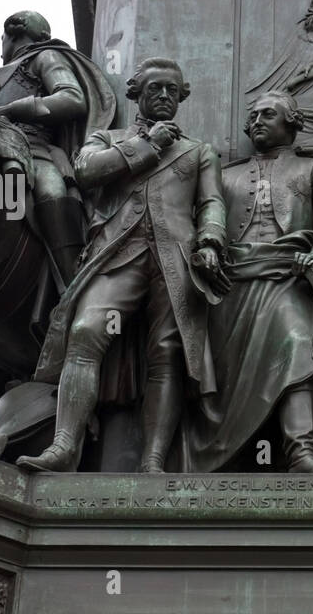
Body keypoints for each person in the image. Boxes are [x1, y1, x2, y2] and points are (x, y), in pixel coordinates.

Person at [18, 58, 228, 473]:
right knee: (85, 331)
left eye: (172, 90)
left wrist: (211, 241)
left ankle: (153, 461)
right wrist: (149, 145)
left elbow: (212, 203)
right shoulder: (107, 138)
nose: (165, 96)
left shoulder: (200, 152)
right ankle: (64, 447)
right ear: (137, 94)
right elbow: (86, 171)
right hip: (116, 253)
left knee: (166, 353)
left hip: (177, 258)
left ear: (182, 95)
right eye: (155, 89)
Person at [188, 92, 313, 472]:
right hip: (232, 283)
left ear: (291, 122)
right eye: (253, 115)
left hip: (289, 276)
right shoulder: (225, 175)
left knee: (298, 341)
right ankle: (232, 454)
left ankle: (301, 452)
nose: (257, 120)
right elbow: (206, 221)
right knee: (226, 379)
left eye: (268, 114)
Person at [0, 10, 116, 286]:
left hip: (34, 149)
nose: (1, 46)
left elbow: (73, 98)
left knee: (52, 190)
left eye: (2, 38)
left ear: (13, 34)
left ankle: (73, 280)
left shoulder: (45, 57)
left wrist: (14, 110)